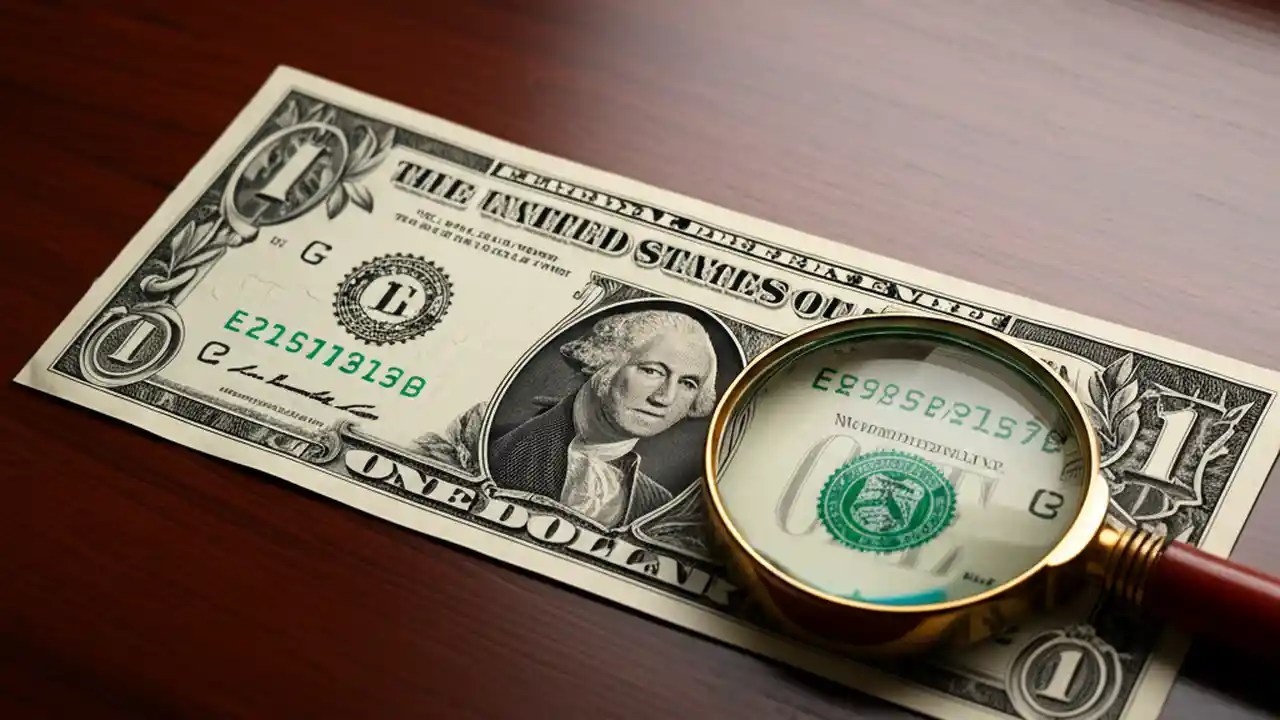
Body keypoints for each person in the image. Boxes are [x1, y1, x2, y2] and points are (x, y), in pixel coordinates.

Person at [487, 309, 719, 529]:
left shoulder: (656, 503)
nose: (665, 398)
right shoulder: (488, 442)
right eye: (652, 371)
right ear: (603, 364)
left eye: (688, 384)